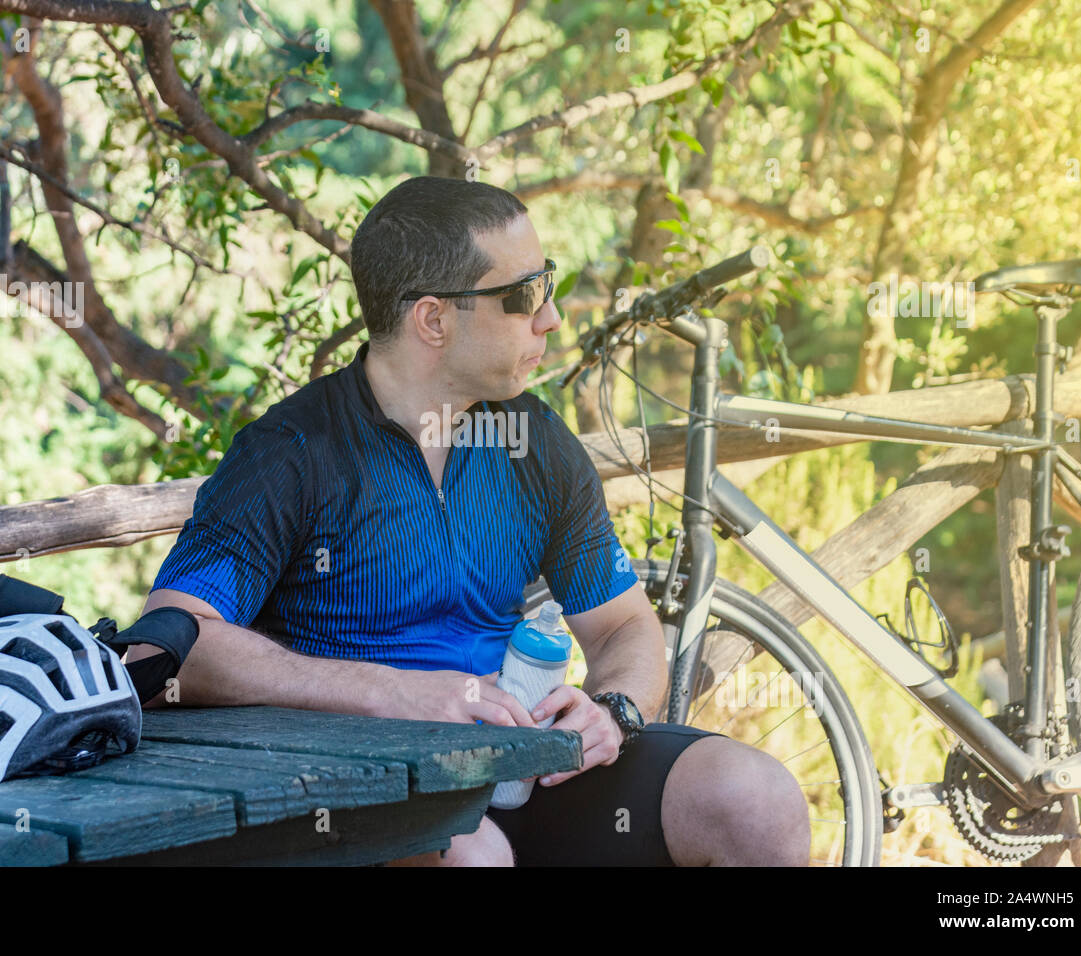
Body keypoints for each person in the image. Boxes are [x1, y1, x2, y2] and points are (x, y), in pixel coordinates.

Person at [133, 176, 810, 866]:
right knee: (475, 858)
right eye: (522, 297)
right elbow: (172, 645)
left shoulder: (534, 443)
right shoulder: (292, 452)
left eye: (547, 284)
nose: (550, 319)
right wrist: (392, 692)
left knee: (756, 801)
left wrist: (614, 709)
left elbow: (624, 626)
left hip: (515, 774)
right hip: (347, 787)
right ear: (433, 320)